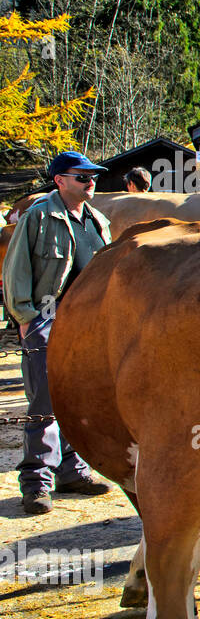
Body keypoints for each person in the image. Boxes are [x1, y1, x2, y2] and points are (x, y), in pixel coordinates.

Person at [2, 151, 114, 514]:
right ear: (60, 181)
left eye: (93, 176)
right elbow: (15, 270)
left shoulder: (98, 220)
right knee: (44, 406)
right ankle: (36, 482)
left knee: (80, 402)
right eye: (82, 176)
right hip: (46, 322)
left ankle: (73, 471)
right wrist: (27, 319)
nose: (90, 181)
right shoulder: (37, 216)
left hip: (88, 326)